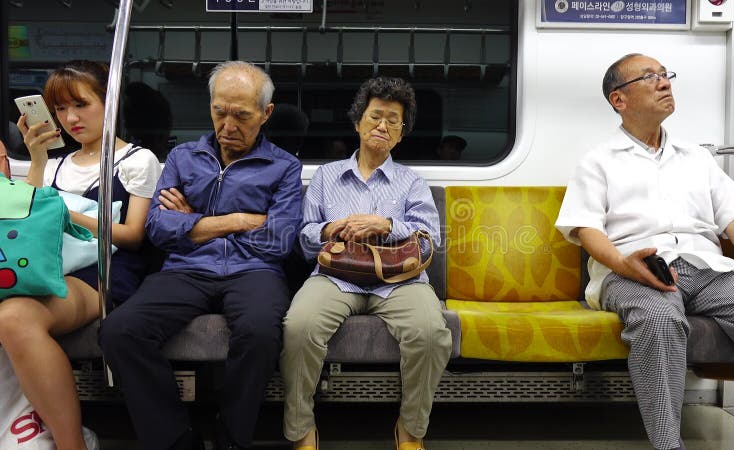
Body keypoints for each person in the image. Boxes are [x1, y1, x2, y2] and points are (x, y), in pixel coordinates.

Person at [555, 53, 734, 450]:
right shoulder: (597, 161)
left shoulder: (695, 157)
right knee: (658, 319)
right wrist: (623, 264)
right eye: (650, 77)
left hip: (709, 268)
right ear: (619, 100)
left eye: (666, 75)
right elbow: (586, 230)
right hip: (633, 269)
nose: (665, 82)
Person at [99, 60, 302, 450]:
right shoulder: (183, 158)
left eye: (241, 115)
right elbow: (158, 229)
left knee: (260, 333)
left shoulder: (284, 167)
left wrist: (193, 223)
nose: (228, 126)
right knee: (119, 331)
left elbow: (278, 241)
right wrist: (240, 220)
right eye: (219, 112)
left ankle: (231, 437)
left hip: (255, 271)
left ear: (266, 113)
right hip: (186, 269)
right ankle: (175, 439)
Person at [281, 76, 452, 450]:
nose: (383, 126)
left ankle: (411, 430)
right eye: (376, 117)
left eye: (394, 121)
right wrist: (331, 229)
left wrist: (386, 226)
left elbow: (429, 238)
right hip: (336, 277)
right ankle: (301, 430)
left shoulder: (411, 181)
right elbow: (304, 237)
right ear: (358, 122)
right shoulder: (326, 177)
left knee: (431, 333)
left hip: (399, 281)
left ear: (401, 134)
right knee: (299, 326)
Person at [3, 60, 161, 450]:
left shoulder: (136, 161)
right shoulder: (55, 165)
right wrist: (36, 160)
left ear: (109, 102)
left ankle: (69, 443)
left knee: (13, 318)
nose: (70, 118)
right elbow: (28, 220)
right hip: (53, 264)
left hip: (104, 271)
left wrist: (66, 214)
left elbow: (132, 236)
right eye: (59, 109)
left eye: (81, 104)